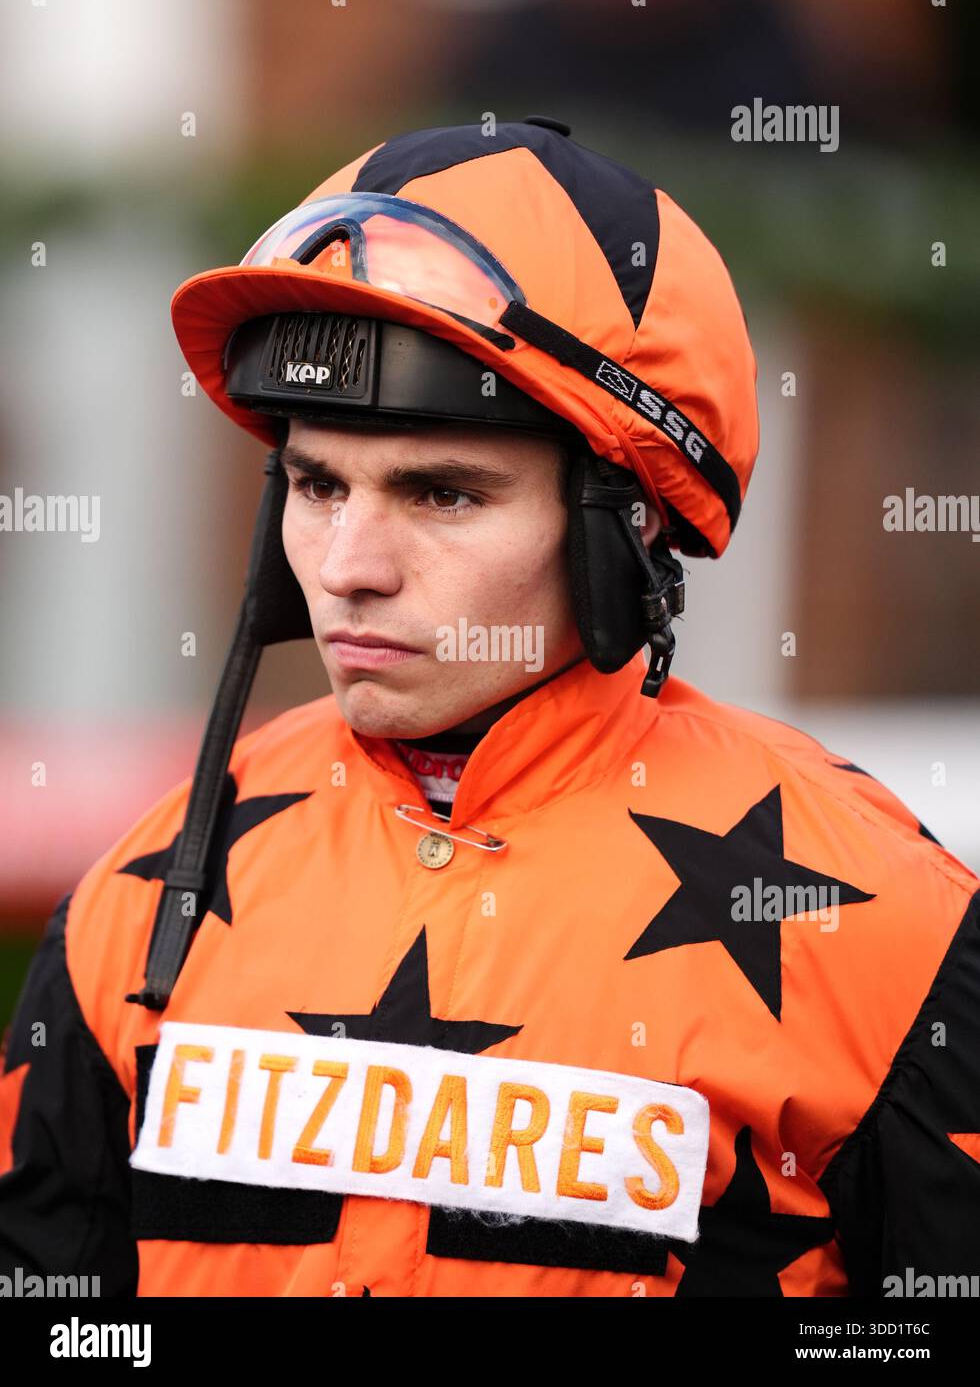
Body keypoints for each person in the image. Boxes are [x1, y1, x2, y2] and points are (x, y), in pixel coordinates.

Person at [1, 119, 977, 1299]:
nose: (349, 563)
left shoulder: (895, 930)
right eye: (315, 484)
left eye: (441, 492)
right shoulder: (136, 893)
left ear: (632, 526)